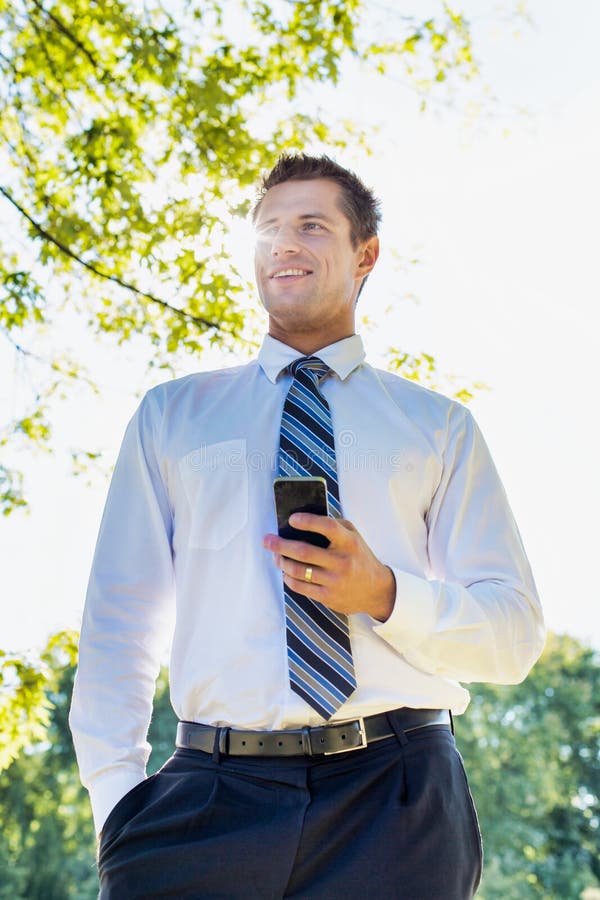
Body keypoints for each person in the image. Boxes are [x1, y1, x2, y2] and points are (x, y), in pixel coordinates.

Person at [69, 153, 545, 899]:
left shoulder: (440, 429)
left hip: (397, 803)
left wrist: (384, 593)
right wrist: (117, 804)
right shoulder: (171, 416)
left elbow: (514, 636)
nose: (284, 243)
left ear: (366, 254)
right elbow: (117, 621)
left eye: (312, 225)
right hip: (204, 801)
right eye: (269, 228)